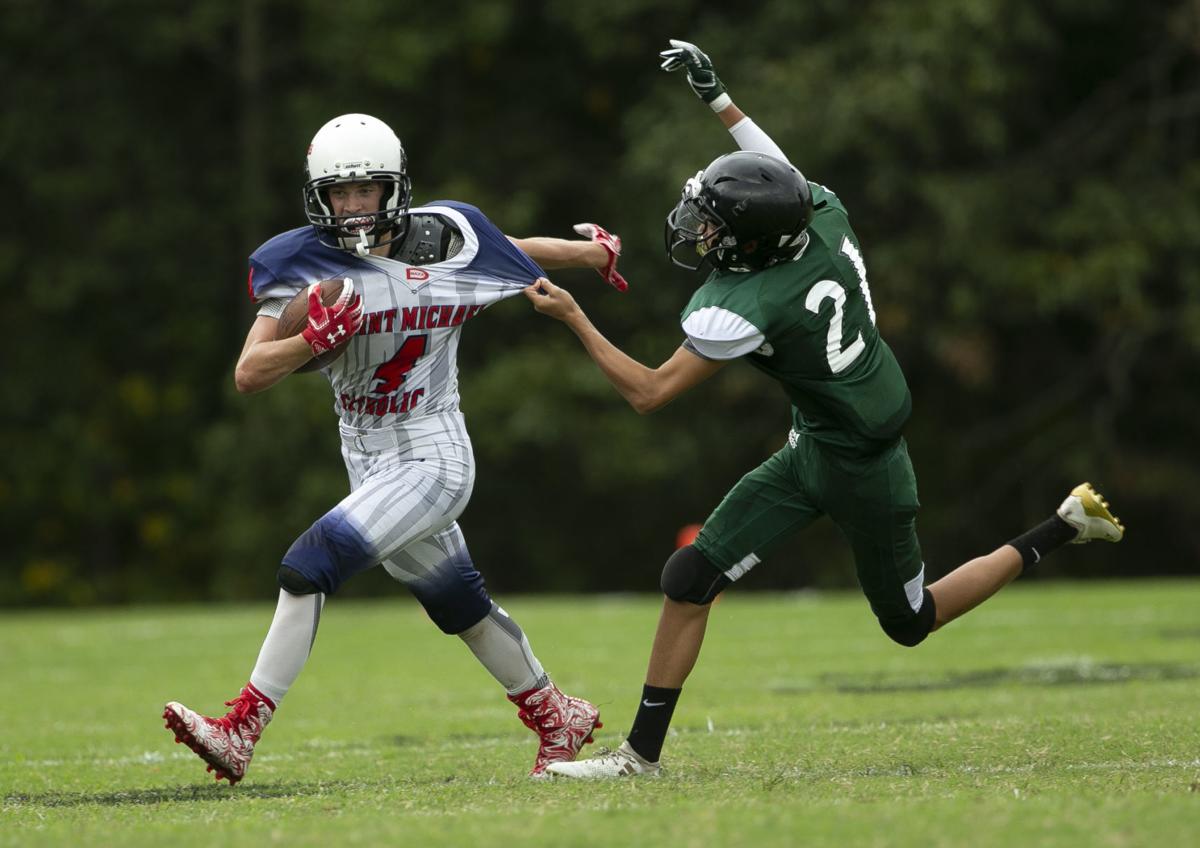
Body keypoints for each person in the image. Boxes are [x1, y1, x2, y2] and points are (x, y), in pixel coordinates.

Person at [526, 41, 1125, 779]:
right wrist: (718, 97)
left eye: (713, 224)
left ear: (750, 240)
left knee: (911, 622)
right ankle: (640, 759)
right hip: (815, 442)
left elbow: (649, 394)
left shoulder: (749, 304)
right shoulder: (824, 216)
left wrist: (575, 319)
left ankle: (1060, 527)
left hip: (867, 467)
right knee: (689, 577)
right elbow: (775, 167)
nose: (699, 231)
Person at [162, 113, 625, 783]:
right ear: (318, 196)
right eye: (339, 193)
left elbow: (511, 246)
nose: (352, 207)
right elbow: (249, 374)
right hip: (366, 457)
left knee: (307, 564)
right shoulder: (299, 262)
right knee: (456, 601)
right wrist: (308, 342)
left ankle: (241, 730)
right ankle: (559, 714)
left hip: (434, 453)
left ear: (396, 189)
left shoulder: (453, 238)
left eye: (366, 191)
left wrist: (590, 254)